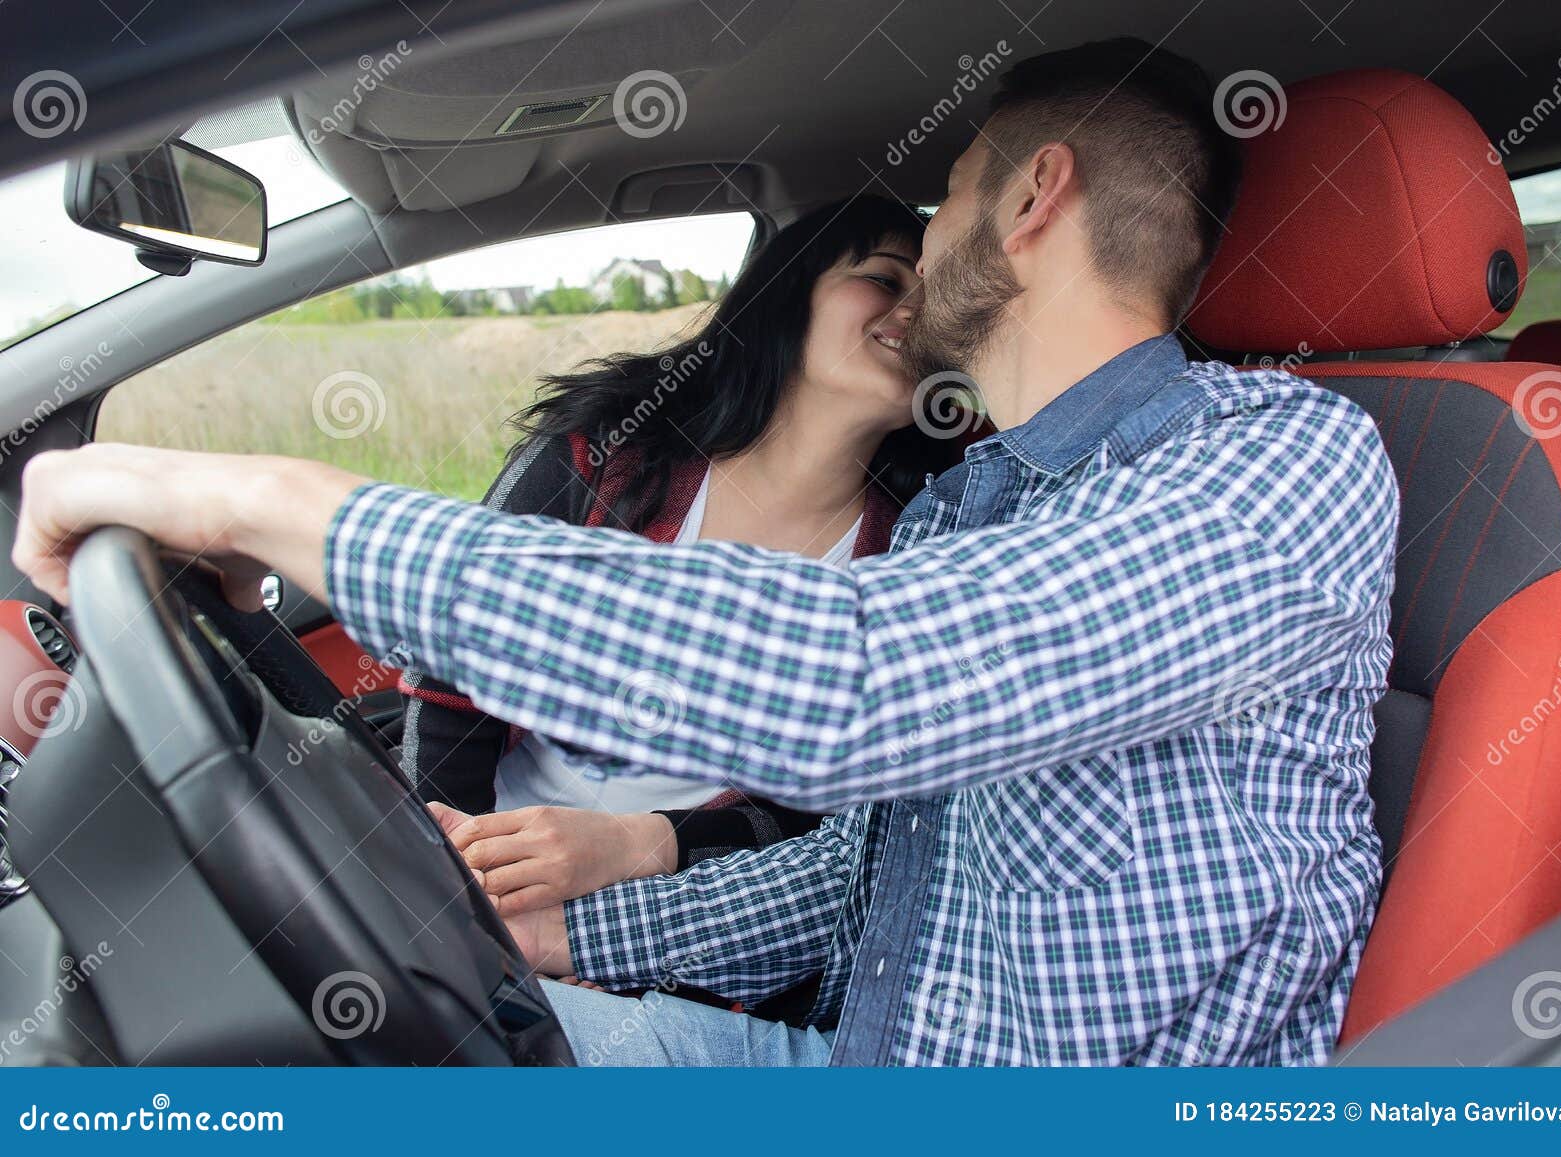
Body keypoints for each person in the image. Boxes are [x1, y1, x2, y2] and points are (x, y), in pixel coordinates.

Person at [13, 38, 1399, 1066]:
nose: (927, 247)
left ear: (1033, 198)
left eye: (953, 192)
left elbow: (863, 680)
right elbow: (853, 876)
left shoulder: (1276, 463)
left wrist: (252, 494)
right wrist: (542, 940)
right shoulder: (987, 503)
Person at [395, 198, 967, 946]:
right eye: (886, 278)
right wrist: (456, 883)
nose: (914, 310)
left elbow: (830, 824)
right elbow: (451, 668)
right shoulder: (607, 454)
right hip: (479, 859)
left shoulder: (916, 550)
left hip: (671, 926)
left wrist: (641, 843)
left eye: (938, 298)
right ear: (789, 294)